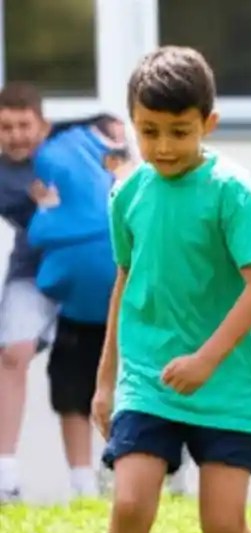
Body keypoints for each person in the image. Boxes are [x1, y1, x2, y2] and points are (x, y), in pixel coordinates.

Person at [90, 46, 251, 533]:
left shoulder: (234, 191)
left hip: (225, 383)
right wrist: (106, 382)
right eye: (149, 132)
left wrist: (205, 360)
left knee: (222, 527)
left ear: (209, 124)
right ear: (131, 123)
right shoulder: (127, 192)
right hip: (147, 380)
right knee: (129, 504)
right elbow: (125, 281)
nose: (164, 146)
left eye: (180, 131)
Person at [28, 115, 126, 499]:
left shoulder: (130, 182)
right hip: (74, 314)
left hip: (125, 314)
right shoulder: (54, 171)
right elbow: (41, 232)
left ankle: (128, 473)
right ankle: (83, 481)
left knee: (132, 394)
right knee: (72, 393)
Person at [0, 83, 62, 501]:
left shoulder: (64, 158)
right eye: (6, 127)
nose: (16, 135)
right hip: (30, 273)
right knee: (12, 353)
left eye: (25, 125)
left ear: (44, 126)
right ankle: (5, 475)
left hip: (85, 272)